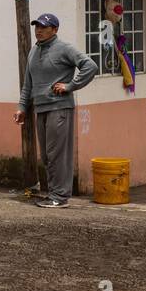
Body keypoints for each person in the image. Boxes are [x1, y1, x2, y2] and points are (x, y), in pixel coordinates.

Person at [14, 13, 98, 208]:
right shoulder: (34, 51)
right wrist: (21, 107)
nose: (39, 30)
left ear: (55, 29)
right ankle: (53, 193)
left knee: (57, 153)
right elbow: (28, 84)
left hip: (59, 108)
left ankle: (60, 197)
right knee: (46, 155)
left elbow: (90, 66)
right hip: (41, 108)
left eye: (44, 27)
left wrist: (70, 86)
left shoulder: (64, 48)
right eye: (37, 26)